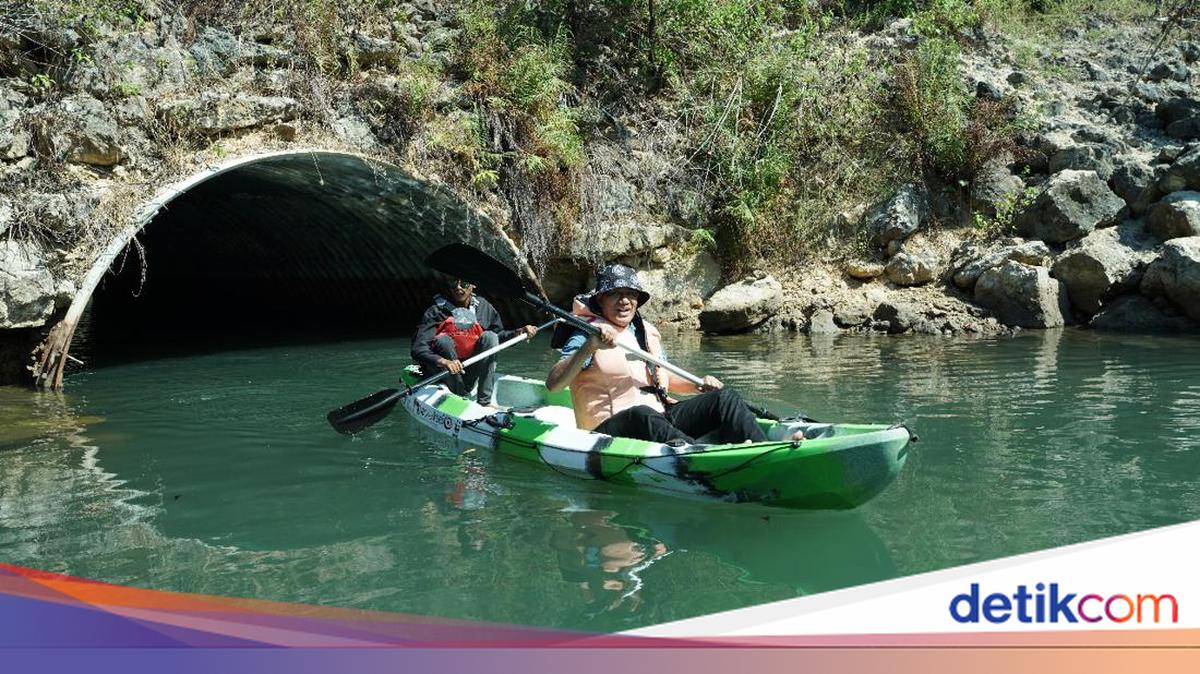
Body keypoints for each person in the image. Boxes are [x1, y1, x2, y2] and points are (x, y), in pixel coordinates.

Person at [546, 263, 776, 445]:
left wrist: (698, 386)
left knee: (723, 398)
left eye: (631, 294)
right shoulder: (587, 333)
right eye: (615, 293)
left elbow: (664, 379)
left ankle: (762, 449)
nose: (624, 301)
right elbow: (554, 384)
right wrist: (590, 346)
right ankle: (695, 457)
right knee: (642, 414)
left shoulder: (645, 332)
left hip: (658, 418)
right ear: (600, 300)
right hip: (607, 430)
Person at [411, 275, 536, 406]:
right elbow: (418, 349)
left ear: (473, 285)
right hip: (442, 374)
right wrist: (444, 362)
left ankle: (484, 401)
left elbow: (498, 336)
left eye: (464, 283)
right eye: (454, 283)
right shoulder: (436, 311)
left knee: (490, 337)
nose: (458, 287)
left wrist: (517, 333)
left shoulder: (483, 307)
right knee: (444, 342)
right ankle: (458, 393)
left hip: (469, 372)